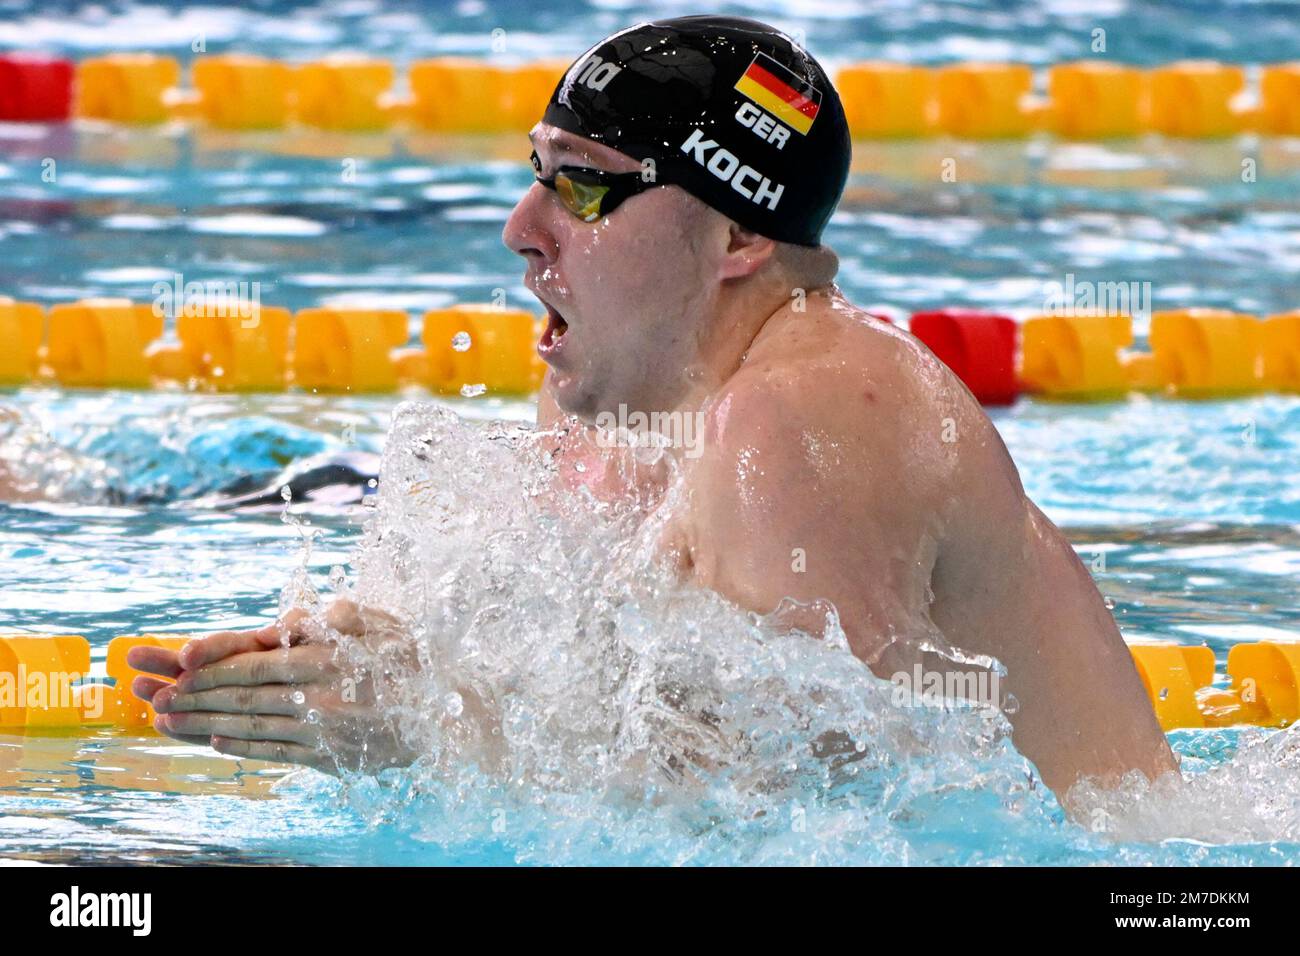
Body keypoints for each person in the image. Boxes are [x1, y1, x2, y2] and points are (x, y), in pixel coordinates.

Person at [130, 15, 1177, 808]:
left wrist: (428, 723)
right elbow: (626, 728)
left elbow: (819, 824)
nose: (521, 229)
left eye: (584, 188)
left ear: (736, 241)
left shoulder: (801, 423)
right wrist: (374, 673)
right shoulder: (612, 397)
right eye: (537, 172)